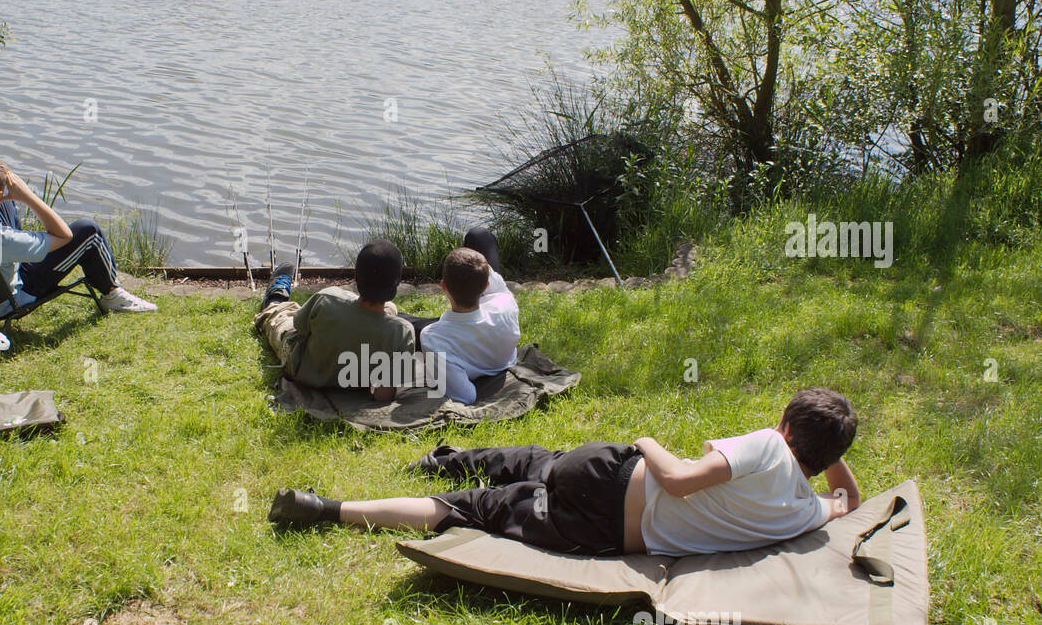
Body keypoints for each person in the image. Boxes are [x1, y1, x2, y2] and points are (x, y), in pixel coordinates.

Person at [268, 387, 862, 557]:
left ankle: (438, 457)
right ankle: (327, 510)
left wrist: (648, 441)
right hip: (600, 536)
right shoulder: (805, 513)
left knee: (537, 461)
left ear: (786, 429)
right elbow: (848, 500)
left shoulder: (767, 446)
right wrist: (824, 450)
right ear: (823, 456)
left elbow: (679, 478)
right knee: (470, 508)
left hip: (614, 478)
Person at [0, 156, 156, 318]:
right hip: (7, 299)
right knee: (88, 230)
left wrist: (0, 201)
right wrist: (27, 196)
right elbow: (64, 235)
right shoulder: (3, 239)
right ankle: (111, 294)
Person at [253, 241, 415, 398]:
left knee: (283, 318)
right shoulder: (403, 332)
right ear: (396, 284)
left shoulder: (328, 298)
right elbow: (383, 395)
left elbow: (299, 326)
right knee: (390, 309)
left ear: (357, 276)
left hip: (302, 371)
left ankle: (274, 300)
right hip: (353, 388)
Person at [414, 237, 520, 404]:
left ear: (443, 287)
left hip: (455, 336)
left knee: (409, 325)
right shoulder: (505, 303)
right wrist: (470, 263)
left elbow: (465, 396)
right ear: (486, 286)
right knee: (478, 234)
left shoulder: (433, 337)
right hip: (490, 347)